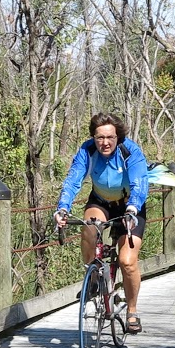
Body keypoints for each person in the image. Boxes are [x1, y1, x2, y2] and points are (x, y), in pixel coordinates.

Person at [55, 113, 150, 333]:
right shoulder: (87, 151)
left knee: (127, 261)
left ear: (118, 137)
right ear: (93, 137)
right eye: (99, 137)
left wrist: (132, 209)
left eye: (109, 137)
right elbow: (73, 180)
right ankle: (92, 278)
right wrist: (63, 208)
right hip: (101, 201)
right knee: (89, 225)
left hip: (130, 205)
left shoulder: (130, 152)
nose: (104, 142)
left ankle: (132, 311)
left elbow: (139, 184)